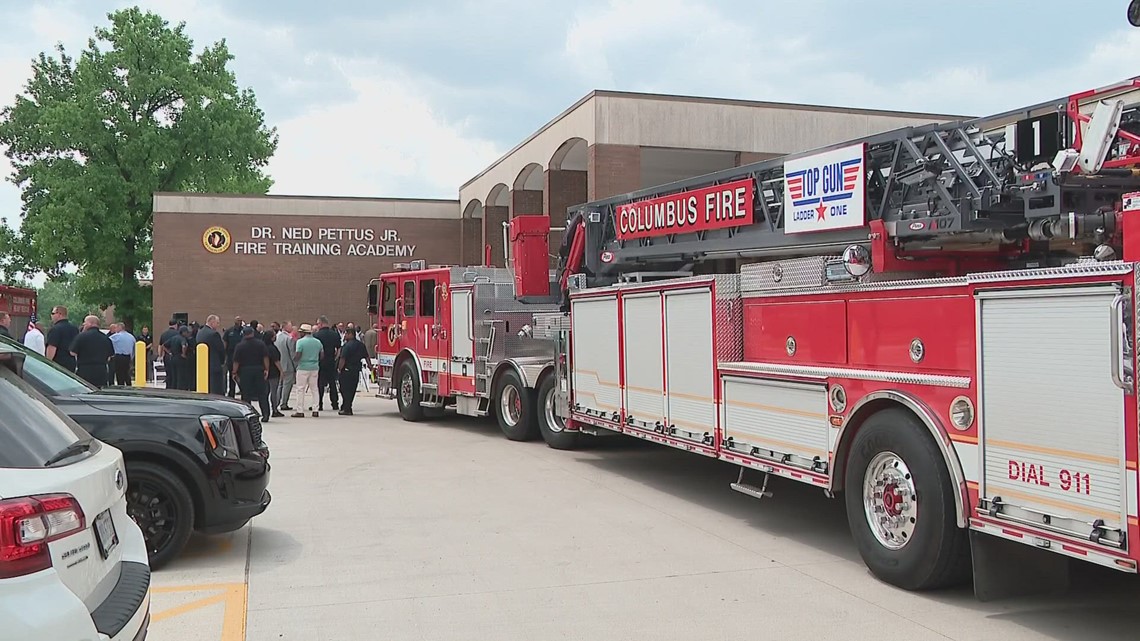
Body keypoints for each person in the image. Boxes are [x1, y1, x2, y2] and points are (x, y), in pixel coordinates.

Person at [232, 326, 271, 421]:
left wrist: (234, 372)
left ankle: (248, 414)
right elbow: (265, 357)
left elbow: (236, 361)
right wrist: (266, 369)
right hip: (258, 370)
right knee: (262, 393)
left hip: (245, 371)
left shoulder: (240, 346)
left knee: (246, 394)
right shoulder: (260, 344)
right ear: (252, 333)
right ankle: (265, 414)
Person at [70, 315, 114, 387]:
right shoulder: (106, 338)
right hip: (101, 371)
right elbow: (110, 356)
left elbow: (72, 353)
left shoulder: (81, 336)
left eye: (85, 322)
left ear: (91, 323)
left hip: (84, 370)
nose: (83, 324)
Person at [337, 326, 371, 416]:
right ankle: (346, 406)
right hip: (356, 370)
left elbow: (342, 359)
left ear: (350, 334)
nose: (345, 336)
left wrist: (339, 369)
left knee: (344, 389)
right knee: (352, 390)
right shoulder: (361, 345)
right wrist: (370, 367)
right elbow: (367, 357)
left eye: (346, 334)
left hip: (346, 370)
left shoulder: (347, 346)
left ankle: (347, 408)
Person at [292, 323, 323, 418]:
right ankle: (315, 409)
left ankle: (300, 410)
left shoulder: (300, 342)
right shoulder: (318, 342)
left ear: (303, 333)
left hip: (303, 367)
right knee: (314, 389)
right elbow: (322, 355)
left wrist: (295, 360)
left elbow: (298, 355)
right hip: (314, 367)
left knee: (300, 389)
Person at [313, 315, 341, 412]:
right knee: (332, 383)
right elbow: (339, 349)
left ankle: (319, 404)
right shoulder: (334, 334)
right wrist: (335, 358)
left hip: (320, 362)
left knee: (320, 383)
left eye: (318, 323)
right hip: (330, 361)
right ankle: (335, 403)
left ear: (321, 324)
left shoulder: (316, 335)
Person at [197, 315, 227, 395]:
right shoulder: (214, 334)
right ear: (212, 322)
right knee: (216, 390)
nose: (218, 325)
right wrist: (222, 361)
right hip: (214, 365)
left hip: (203, 366)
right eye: (217, 323)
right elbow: (221, 350)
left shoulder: (200, 333)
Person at [45, 306, 80, 372]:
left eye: (53, 313)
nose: (51, 316)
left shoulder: (55, 329)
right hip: (71, 363)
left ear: (59, 314)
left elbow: (52, 347)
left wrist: (48, 363)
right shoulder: (75, 329)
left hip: (58, 364)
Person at [274, 321, 298, 412]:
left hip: (279, 364)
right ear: (285, 327)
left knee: (279, 385)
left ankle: (276, 402)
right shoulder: (289, 339)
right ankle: (284, 403)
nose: (291, 328)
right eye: (290, 326)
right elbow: (292, 354)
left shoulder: (277, 337)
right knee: (287, 385)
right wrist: (295, 366)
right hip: (288, 365)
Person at [262, 330, 284, 418]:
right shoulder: (272, 348)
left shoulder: (263, 347)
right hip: (273, 372)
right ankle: (274, 409)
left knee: (266, 392)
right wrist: (281, 371)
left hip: (264, 371)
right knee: (274, 391)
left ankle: (267, 409)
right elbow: (276, 361)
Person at [223, 316, 245, 397]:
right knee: (232, 377)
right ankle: (231, 393)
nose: (238, 322)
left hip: (242, 358)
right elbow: (225, 343)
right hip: (231, 357)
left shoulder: (244, 331)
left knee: (242, 377)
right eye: (237, 320)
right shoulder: (229, 331)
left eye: (240, 320)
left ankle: (243, 392)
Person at [157, 319, 179, 389]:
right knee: (175, 373)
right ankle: (174, 387)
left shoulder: (164, 334)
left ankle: (168, 386)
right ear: (176, 325)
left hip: (166, 356)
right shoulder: (177, 334)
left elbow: (160, 346)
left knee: (168, 373)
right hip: (175, 356)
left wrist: (160, 356)